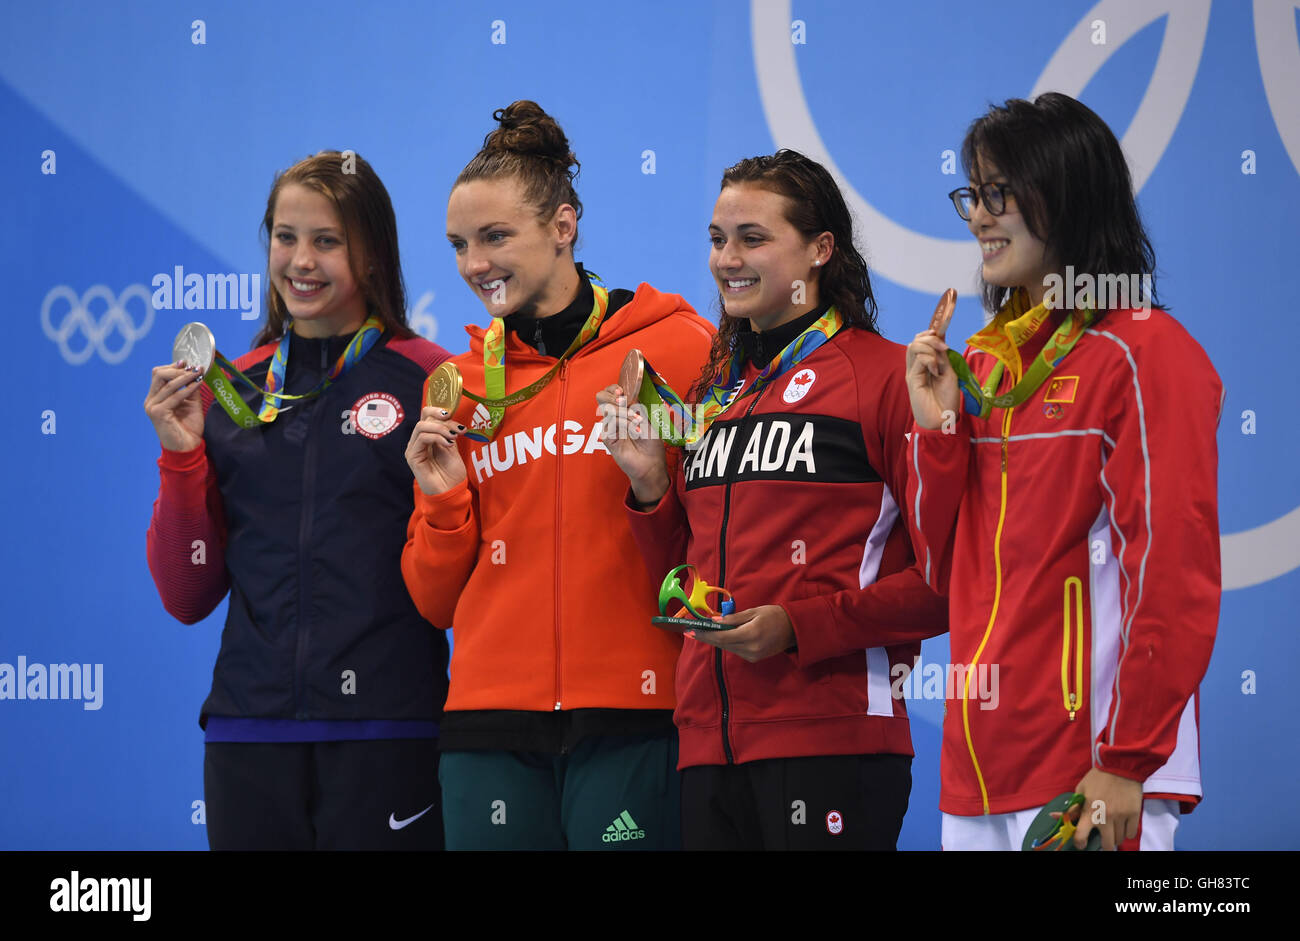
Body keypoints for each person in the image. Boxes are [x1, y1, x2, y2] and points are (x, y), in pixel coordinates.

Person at [601, 149, 948, 850]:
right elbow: (683, 576)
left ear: (821, 249)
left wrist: (797, 625)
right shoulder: (714, 396)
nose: (727, 258)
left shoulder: (884, 379)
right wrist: (650, 486)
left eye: (753, 238)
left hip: (833, 739)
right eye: (717, 238)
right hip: (706, 744)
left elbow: (947, 585)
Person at [904, 93, 1222, 851]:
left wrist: (1126, 757)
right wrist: (939, 429)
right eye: (973, 195)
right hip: (979, 766)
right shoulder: (979, 363)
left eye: (999, 193)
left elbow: (1173, 570)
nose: (979, 216)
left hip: (1096, 768)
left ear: (1068, 196)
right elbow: (942, 573)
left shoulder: (1146, 351)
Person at [401, 101, 714, 850]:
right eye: (458, 244)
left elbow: (716, 545)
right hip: (487, 727)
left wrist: (651, 489)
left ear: (563, 226)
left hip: (636, 716)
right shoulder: (460, 386)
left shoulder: (677, 348)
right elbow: (432, 599)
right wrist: (444, 501)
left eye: (495, 236)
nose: (474, 263)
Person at [145, 151, 451, 850]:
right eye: (285, 236)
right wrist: (182, 452)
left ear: (372, 254)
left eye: (326, 239)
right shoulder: (232, 390)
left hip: (388, 728)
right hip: (248, 732)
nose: (300, 260)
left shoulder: (430, 379)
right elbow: (188, 592)